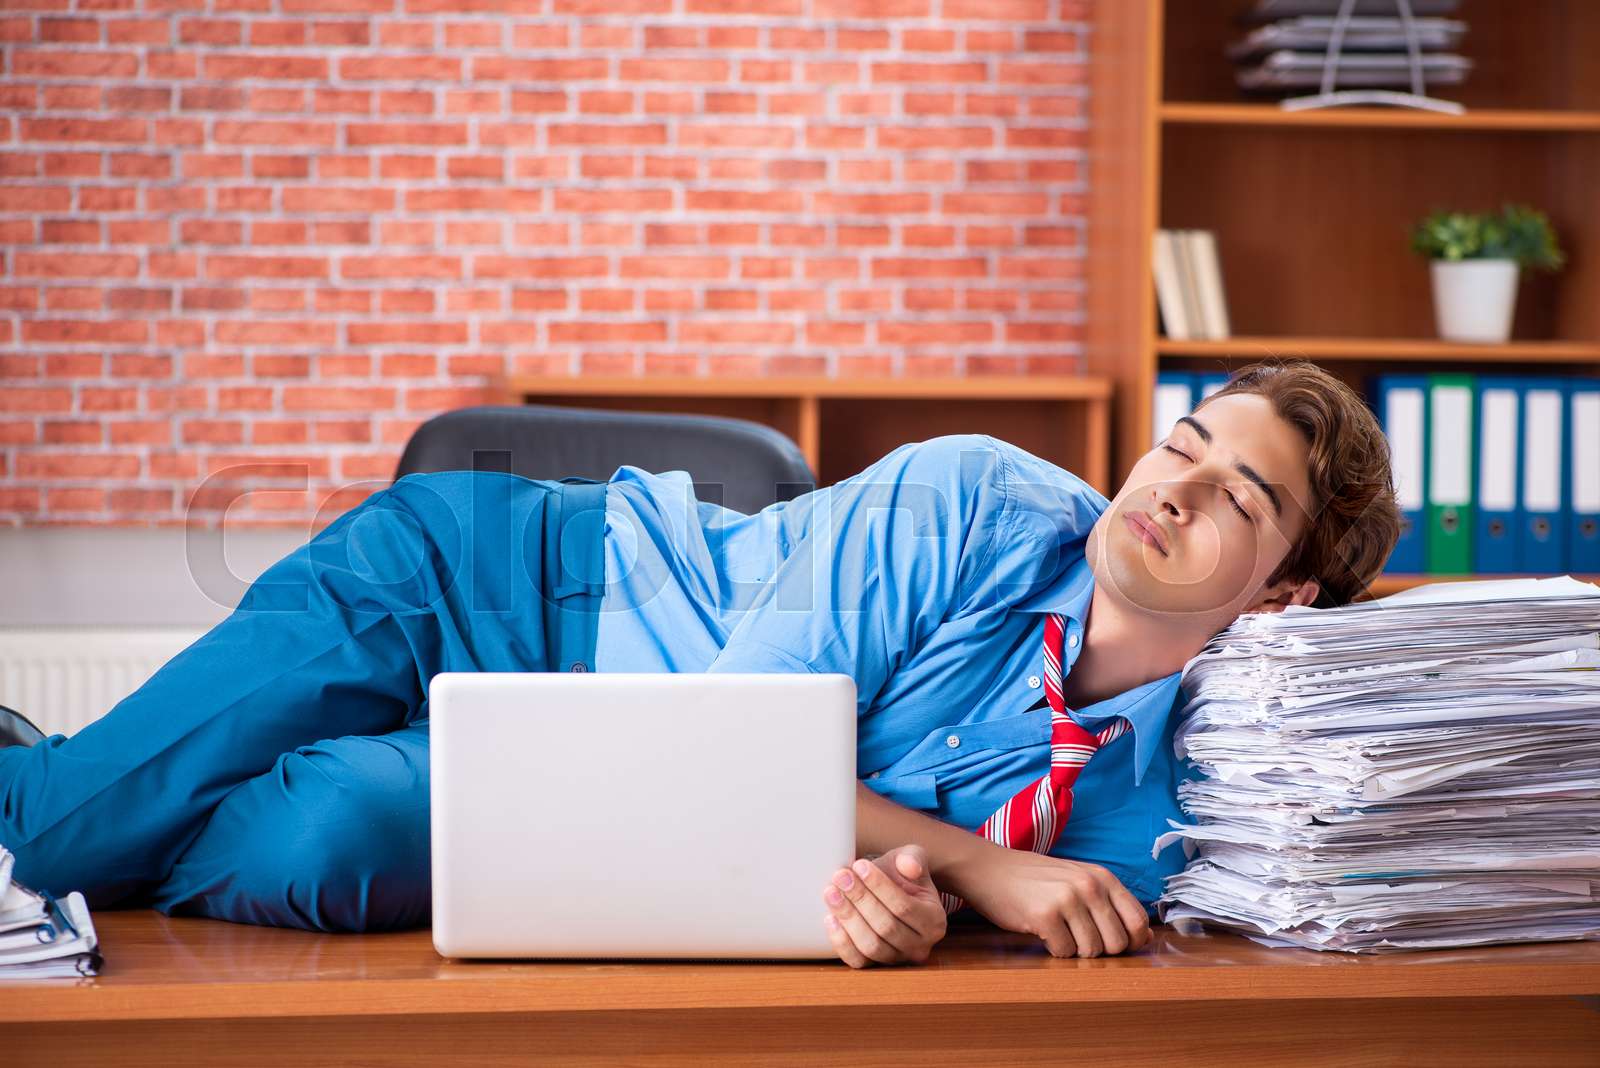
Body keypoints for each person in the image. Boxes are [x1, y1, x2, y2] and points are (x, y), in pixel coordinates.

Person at [0, 359, 1400, 967]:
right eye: (1185, 445)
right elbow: (729, 742)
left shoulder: (1182, 798)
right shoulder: (973, 500)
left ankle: (135, 784)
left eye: (1239, 499)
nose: (1172, 489)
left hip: (593, 782)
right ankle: (56, 779)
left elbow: (816, 864)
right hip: (489, 585)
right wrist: (976, 870)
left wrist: (901, 909)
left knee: (343, 831)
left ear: (1280, 593)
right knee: (62, 830)